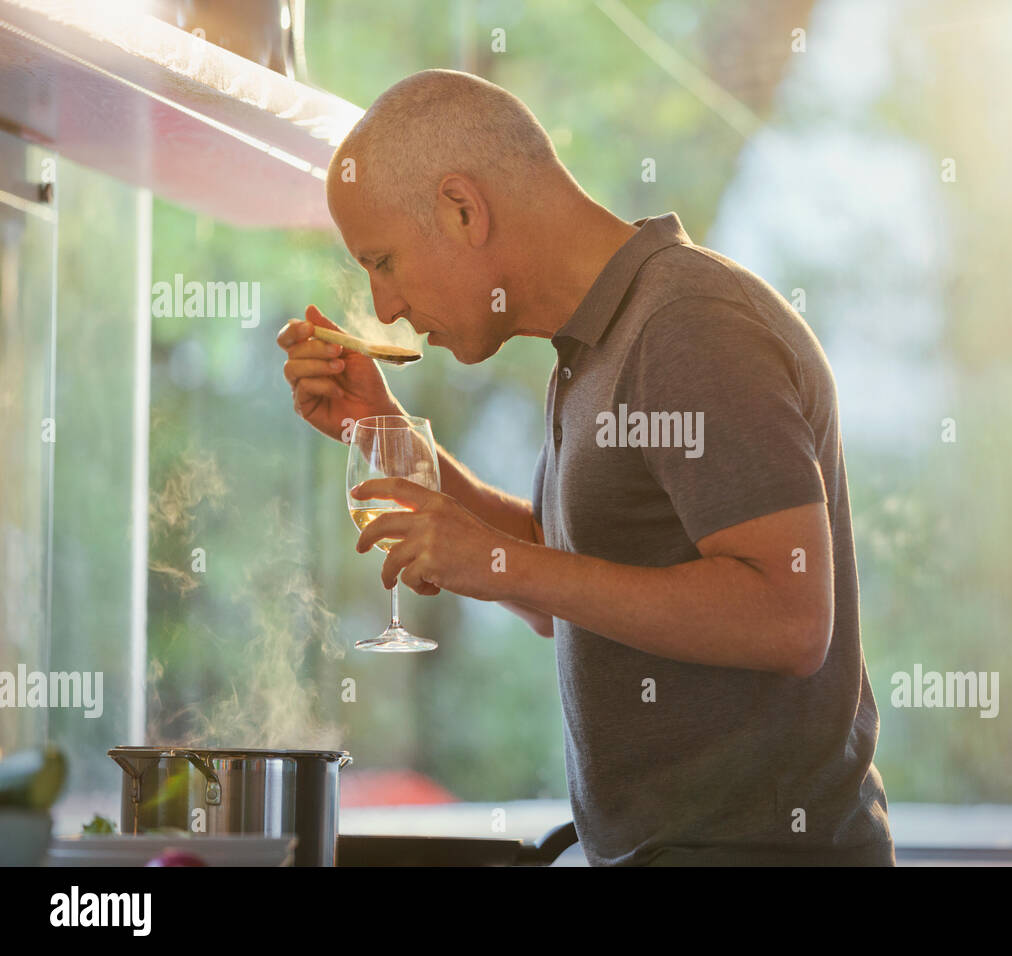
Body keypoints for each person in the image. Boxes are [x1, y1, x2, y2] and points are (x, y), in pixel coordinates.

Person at [277, 69, 894, 866]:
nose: (384, 305)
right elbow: (555, 578)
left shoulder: (688, 326)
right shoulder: (595, 344)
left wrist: (500, 561)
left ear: (463, 209)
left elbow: (790, 617)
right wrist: (384, 428)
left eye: (384, 260)